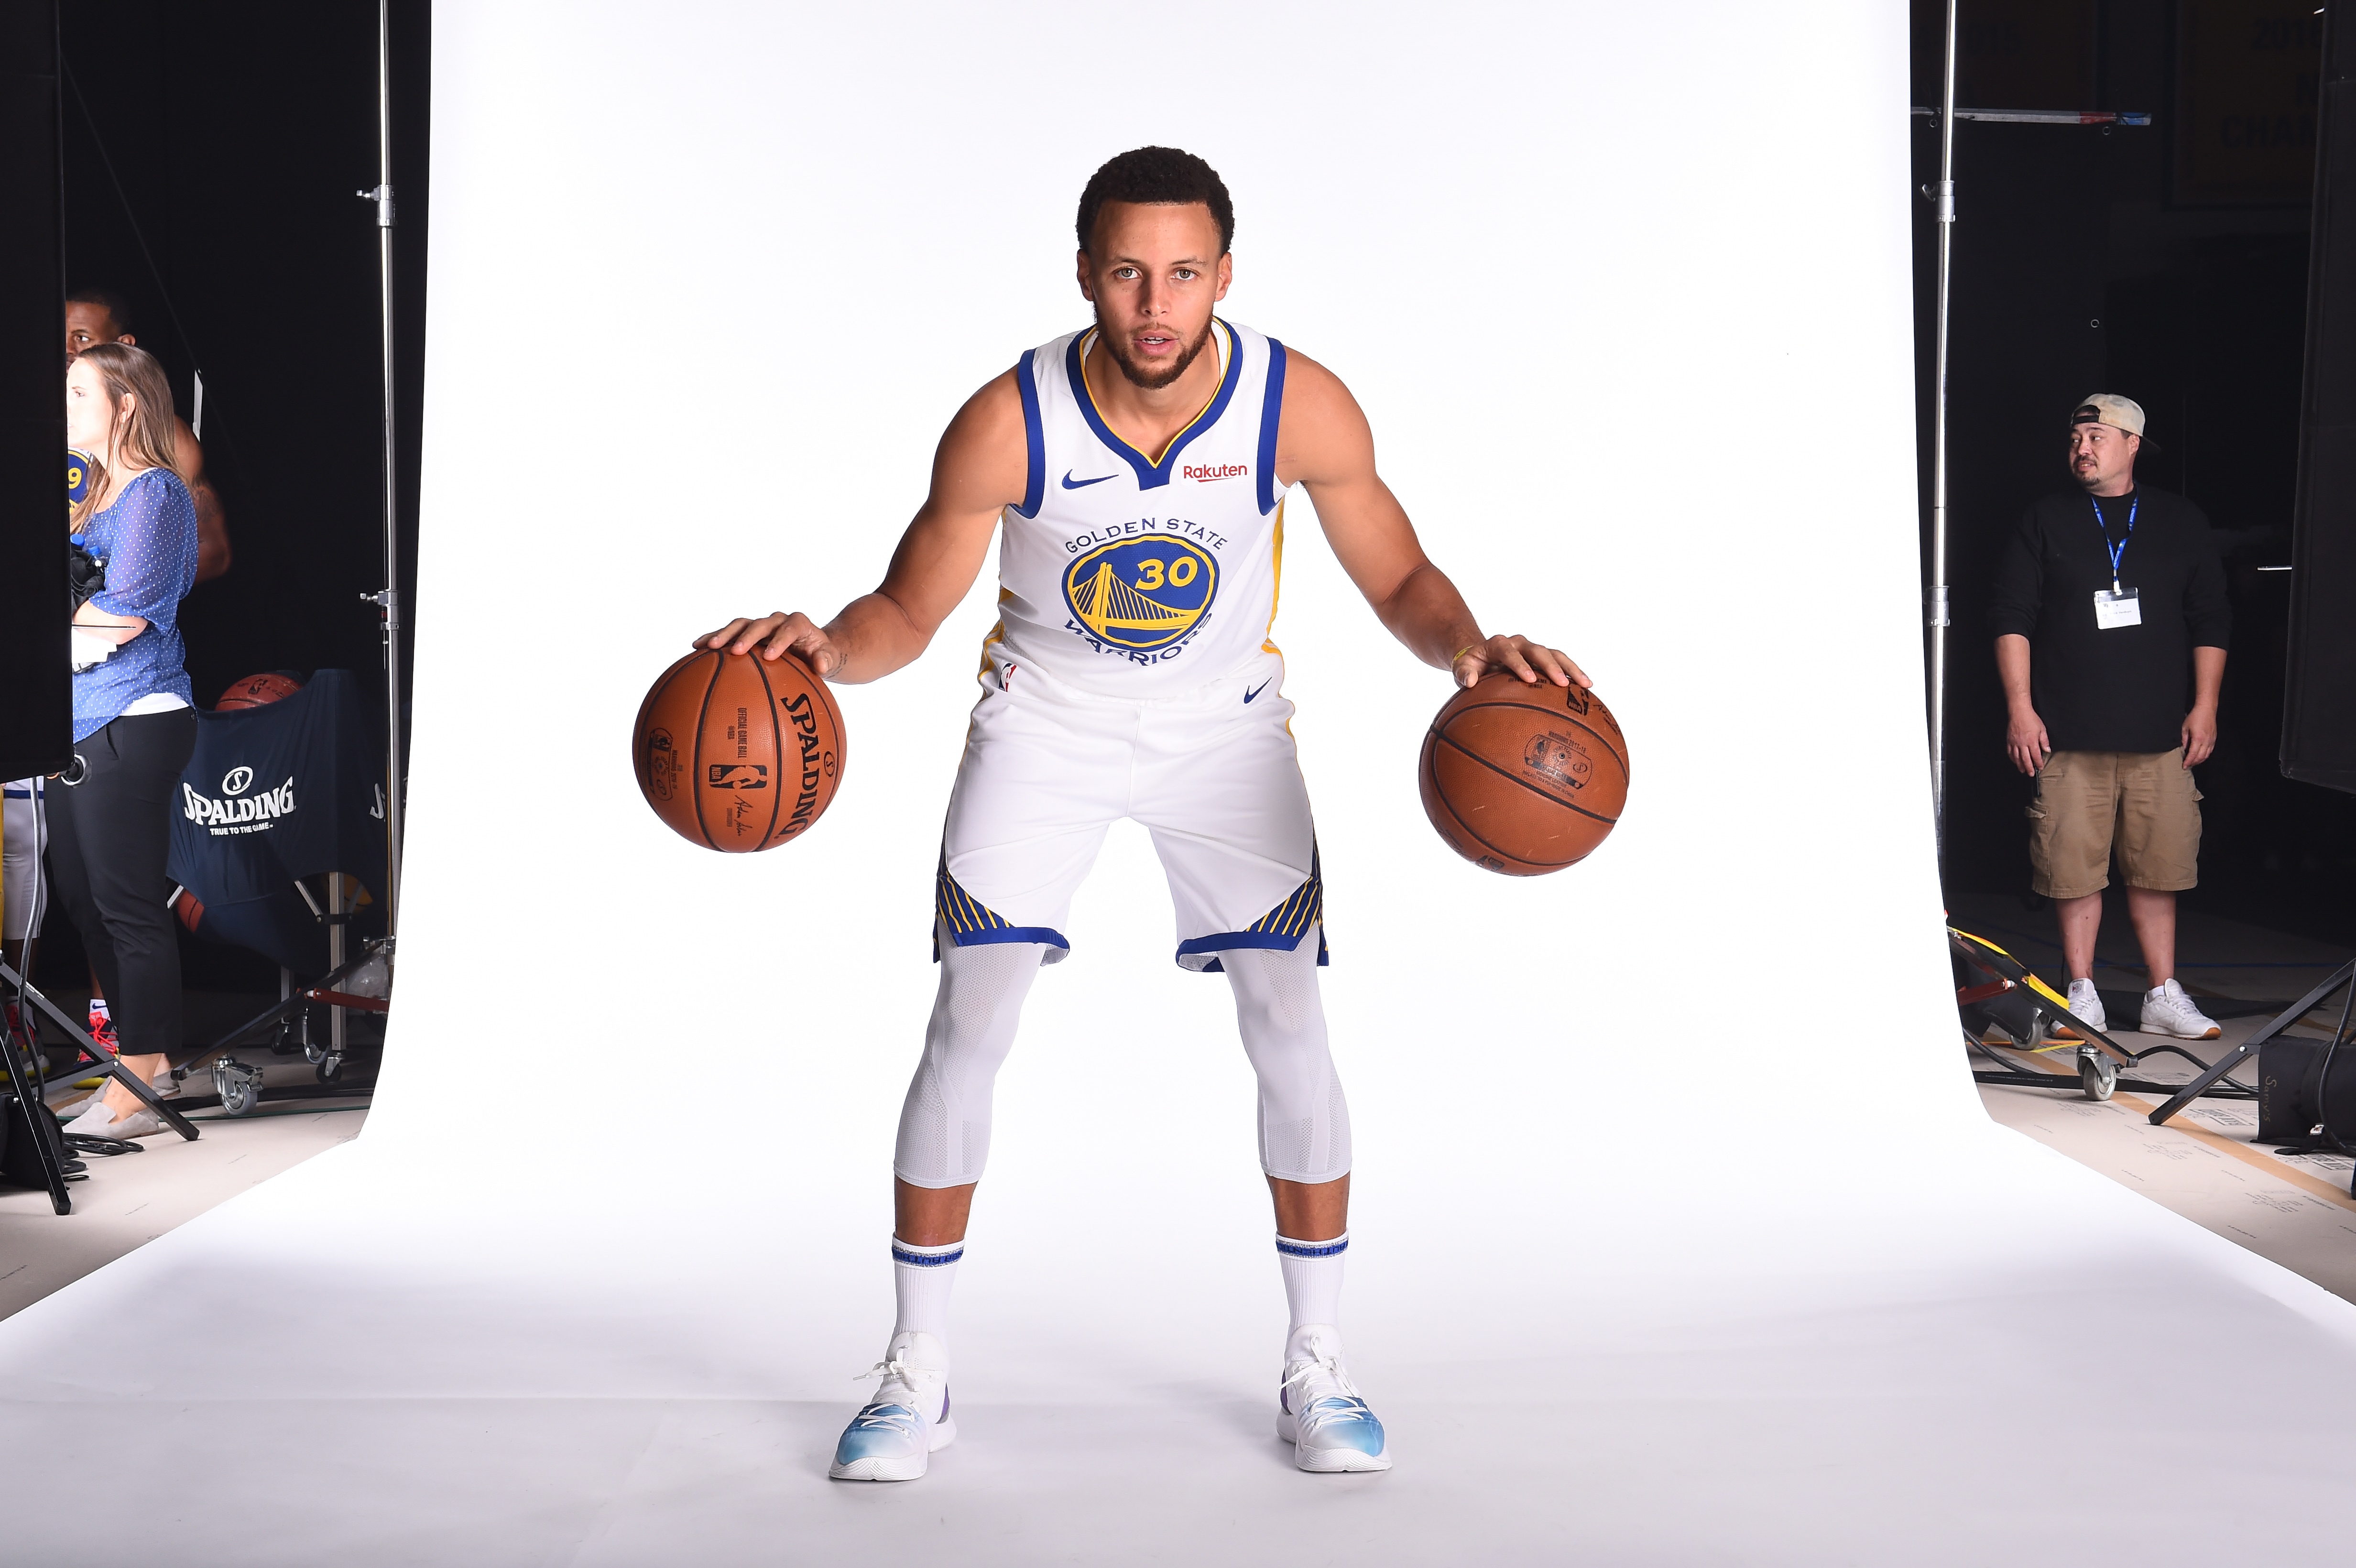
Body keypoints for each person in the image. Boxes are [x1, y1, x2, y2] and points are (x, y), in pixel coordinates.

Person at [701, 147, 1586, 1481]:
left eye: (1182, 272)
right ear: (1085, 274)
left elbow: (1398, 572)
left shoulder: (1299, 407)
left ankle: (1318, 1361)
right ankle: (918, 1371)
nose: (1155, 303)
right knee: (971, 1013)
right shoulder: (1011, 419)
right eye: (1127, 271)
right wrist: (822, 647)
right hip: (1044, 728)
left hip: (1223, 735)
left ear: (1225, 273)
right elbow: (907, 611)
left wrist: (1466, 648)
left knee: (1289, 1016)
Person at [1988, 393, 2230, 1040]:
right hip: (2068, 736)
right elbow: (2012, 617)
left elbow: (2211, 620)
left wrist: (2205, 705)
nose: (2082, 449)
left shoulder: (2180, 521)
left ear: (2132, 444)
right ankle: (2083, 989)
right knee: (2072, 865)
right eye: (2074, 439)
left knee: (2160, 868)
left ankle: (2162, 993)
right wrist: (2021, 709)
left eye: (2096, 436)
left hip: (2160, 738)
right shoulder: (2045, 519)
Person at [53, 342, 202, 1140]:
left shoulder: (155, 494)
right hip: (75, 720)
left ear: (125, 404)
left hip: (134, 716)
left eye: (79, 393)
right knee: (85, 902)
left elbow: (130, 609)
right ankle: (144, 1068)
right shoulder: (84, 497)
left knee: (128, 907)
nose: (63, 407)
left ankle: (139, 1090)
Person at [65, 286, 230, 585]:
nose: (66, 348)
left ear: (123, 345)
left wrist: (118, 592)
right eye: (59, 334)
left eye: (83, 338)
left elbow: (213, 551)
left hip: (111, 622)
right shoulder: (28, 419)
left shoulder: (163, 436)